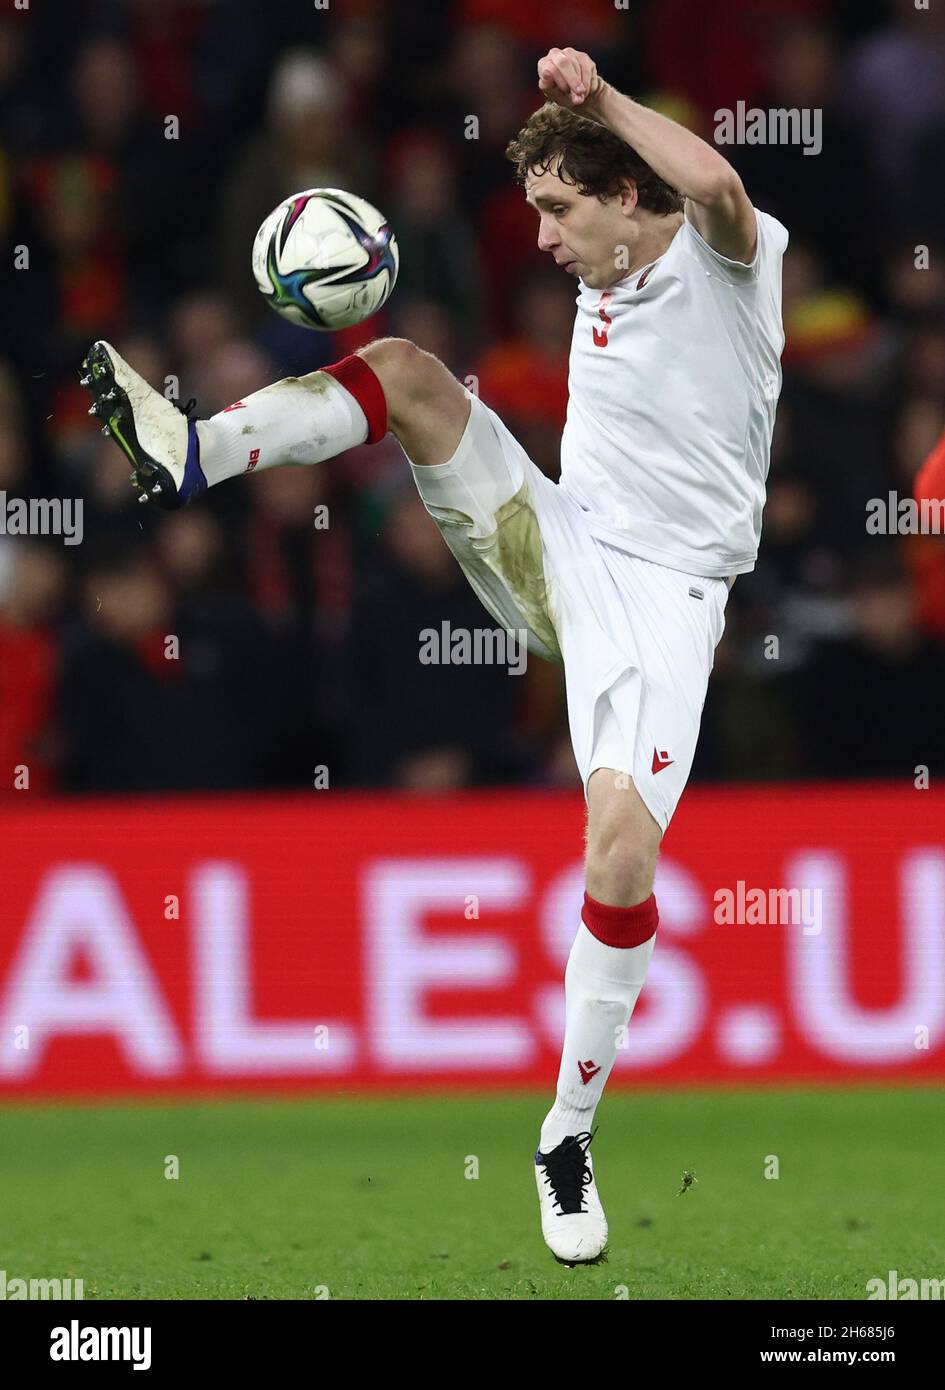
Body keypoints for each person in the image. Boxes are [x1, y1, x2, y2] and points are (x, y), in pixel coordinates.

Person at [80, 46, 788, 1265]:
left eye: (562, 213)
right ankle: (188, 451)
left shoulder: (735, 261)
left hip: (671, 597)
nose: (547, 244)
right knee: (407, 370)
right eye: (537, 219)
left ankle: (566, 1135)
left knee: (619, 860)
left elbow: (715, 184)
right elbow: (619, 215)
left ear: (627, 194)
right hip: (563, 539)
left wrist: (603, 99)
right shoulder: (598, 272)